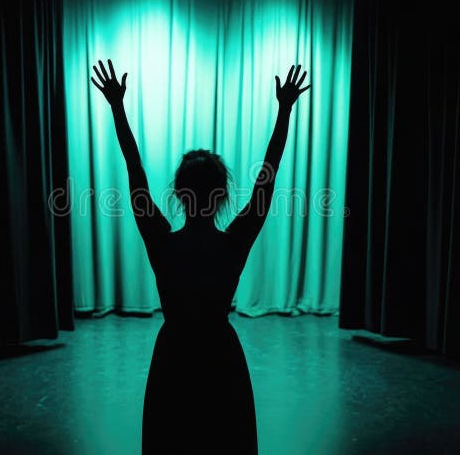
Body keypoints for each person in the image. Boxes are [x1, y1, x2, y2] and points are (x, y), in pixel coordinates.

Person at [90, 59, 310, 454]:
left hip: (174, 357)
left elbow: (134, 168)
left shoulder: (162, 242)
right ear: (223, 195)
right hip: (219, 358)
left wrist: (117, 108)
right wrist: (285, 110)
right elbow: (268, 173)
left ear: (177, 192)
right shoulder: (233, 243)